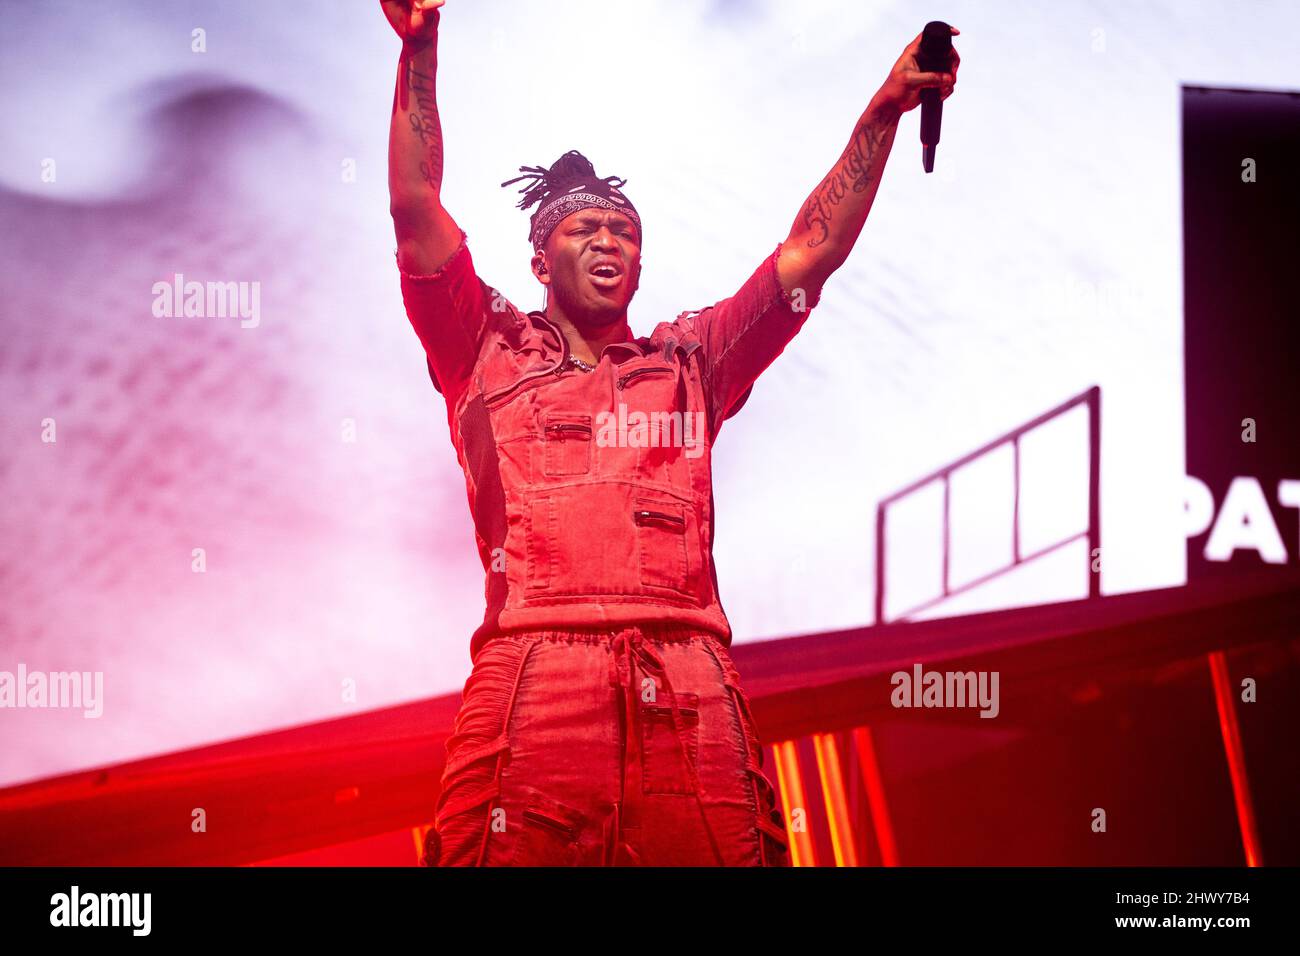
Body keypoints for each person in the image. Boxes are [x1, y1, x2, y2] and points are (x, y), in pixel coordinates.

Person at [380, 0, 959, 866]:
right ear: (541, 259)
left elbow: (810, 250)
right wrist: (419, 51)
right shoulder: (484, 347)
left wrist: (881, 110)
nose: (608, 239)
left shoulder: (692, 362)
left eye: (624, 231)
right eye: (584, 229)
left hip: (686, 679)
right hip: (537, 676)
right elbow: (415, 206)